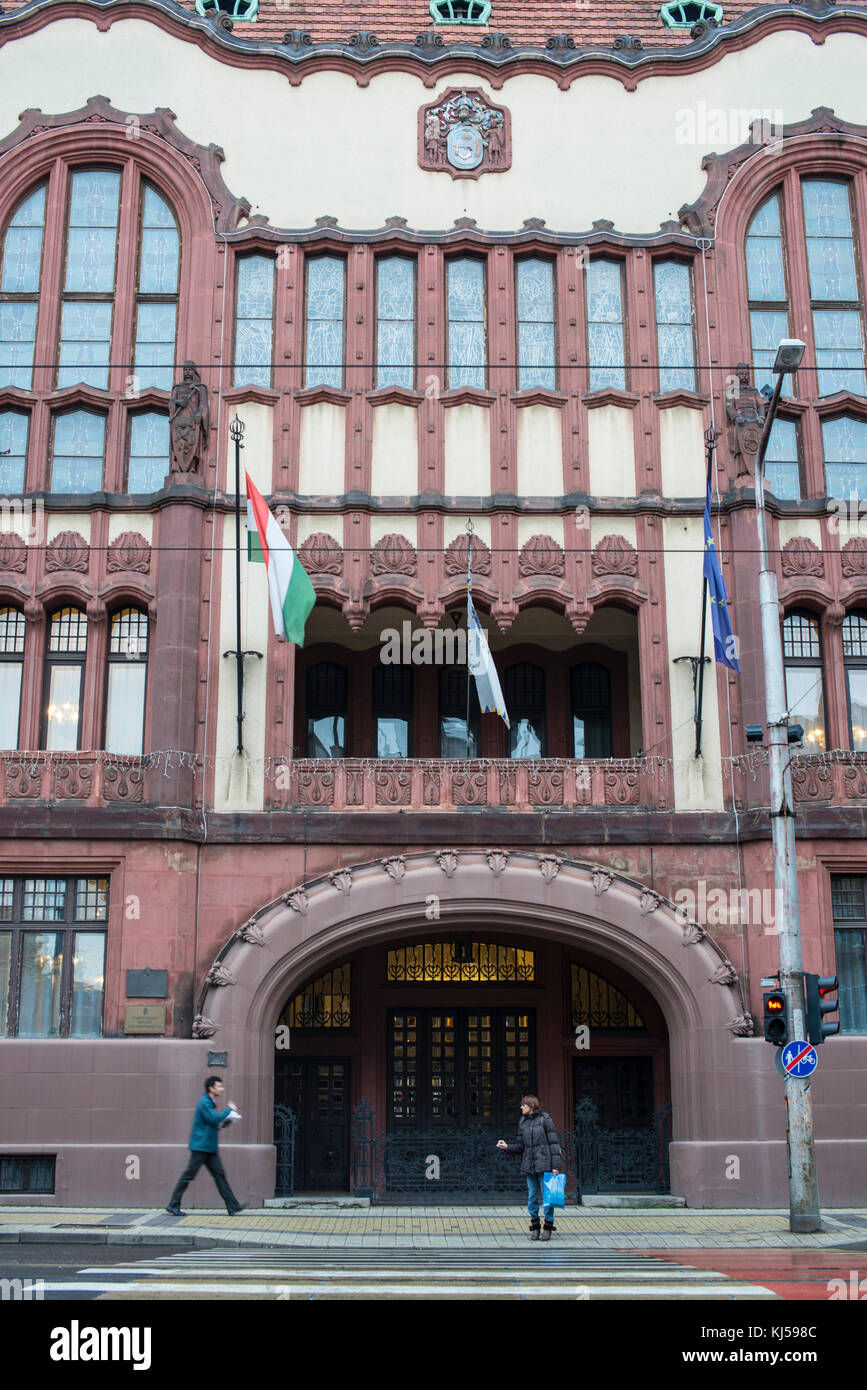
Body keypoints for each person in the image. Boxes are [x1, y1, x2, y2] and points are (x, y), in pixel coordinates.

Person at [166, 1076, 247, 1216]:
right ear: (211, 1088)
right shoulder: (204, 1103)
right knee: (188, 1175)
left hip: (209, 1147)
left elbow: (212, 1122)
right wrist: (229, 1110)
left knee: (220, 1176)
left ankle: (233, 1206)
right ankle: (173, 1205)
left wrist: (225, 1122)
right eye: (219, 1086)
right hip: (201, 1147)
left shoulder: (209, 1102)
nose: (221, 1089)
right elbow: (213, 1118)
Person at [496, 1094, 562, 1241]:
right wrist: (507, 1147)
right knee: (532, 1197)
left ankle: (548, 1227)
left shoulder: (545, 1120)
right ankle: (535, 1227)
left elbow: (554, 1143)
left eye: (523, 1105)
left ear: (531, 1106)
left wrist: (555, 1166)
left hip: (545, 1164)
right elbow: (521, 1146)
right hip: (529, 1164)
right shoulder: (523, 1122)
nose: (521, 1107)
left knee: (548, 1198)